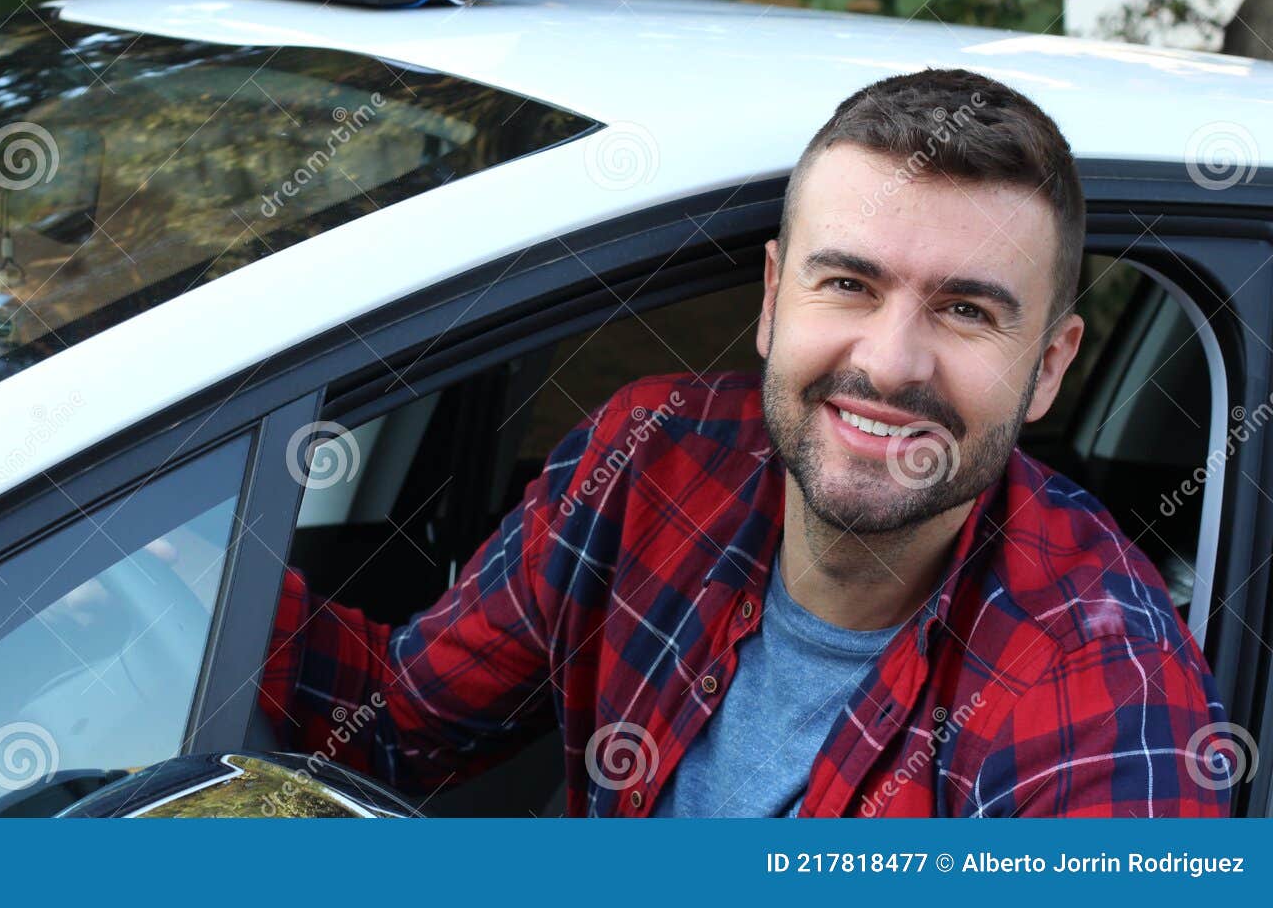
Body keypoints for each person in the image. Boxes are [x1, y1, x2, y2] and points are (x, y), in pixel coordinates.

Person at [256, 68, 1230, 817]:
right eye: (847, 284)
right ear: (773, 299)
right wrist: (184, 579)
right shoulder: (651, 460)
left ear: (1050, 365)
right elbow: (395, 720)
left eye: (965, 309)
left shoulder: (1103, 696)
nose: (890, 364)